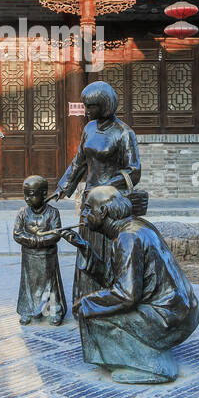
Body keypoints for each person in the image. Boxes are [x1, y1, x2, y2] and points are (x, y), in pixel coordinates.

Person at [55, 185, 199, 384]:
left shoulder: (127, 237)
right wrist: (85, 248)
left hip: (168, 317)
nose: (84, 214)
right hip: (182, 311)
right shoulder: (137, 225)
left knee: (91, 312)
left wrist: (87, 302)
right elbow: (118, 279)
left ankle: (154, 368)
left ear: (103, 212)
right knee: (94, 304)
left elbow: (126, 295)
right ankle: (144, 356)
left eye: (88, 209)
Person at [50, 80, 140, 314]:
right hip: (90, 201)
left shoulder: (124, 133)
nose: (87, 111)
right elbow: (79, 161)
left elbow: (134, 171)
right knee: (86, 246)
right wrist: (63, 186)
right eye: (85, 106)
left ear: (105, 105)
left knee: (108, 250)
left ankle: (110, 303)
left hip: (110, 204)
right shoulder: (89, 128)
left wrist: (106, 188)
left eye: (91, 107)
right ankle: (84, 300)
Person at [12, 175, 67, 325]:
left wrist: (37, 241)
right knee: (28, 285)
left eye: (31, 195)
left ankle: (54, 311)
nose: (27, 199)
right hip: (29, 257)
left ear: (43, 194)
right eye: (25, 195)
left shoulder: (52, 213)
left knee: (51, 285)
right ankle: (27, 310)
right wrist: (35, 241)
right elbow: (17, 234)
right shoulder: (23, 213)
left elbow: (56, 234)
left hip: (47, 257)